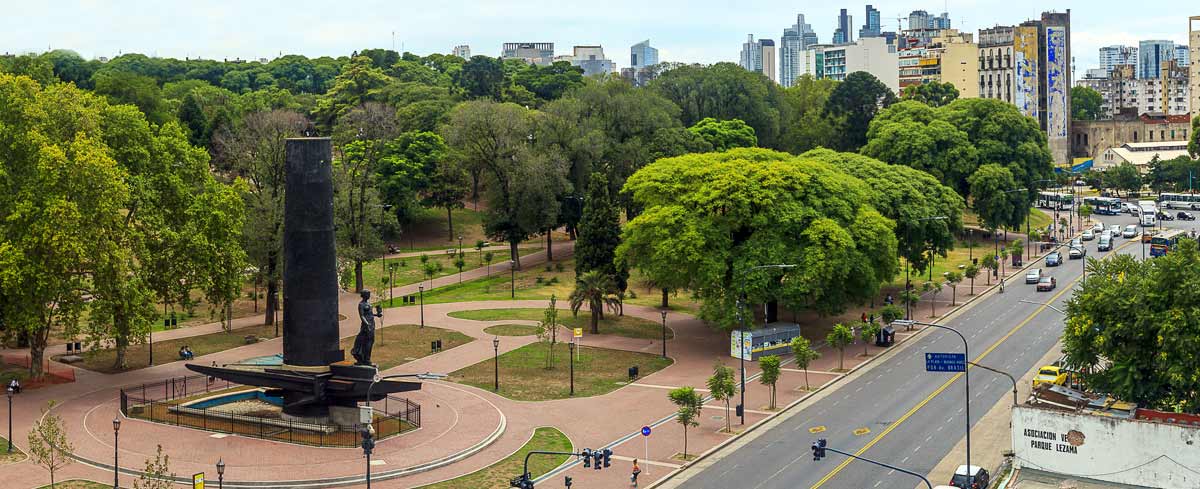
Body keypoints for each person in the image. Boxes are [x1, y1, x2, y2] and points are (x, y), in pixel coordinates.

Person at [352, 289, 383, 365]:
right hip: (366, 326)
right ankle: (365, 358)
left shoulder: (368, 304)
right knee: (365, 341)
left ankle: (367, 358)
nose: (369, 295)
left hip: (372, 324)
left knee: (371, 341)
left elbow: (370, 314)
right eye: (368, 294)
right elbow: (362, 316)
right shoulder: (361, 305)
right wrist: (367, 324)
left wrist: (377, 314)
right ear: (364, 295)